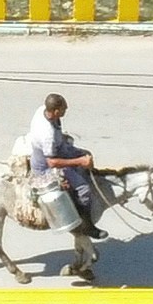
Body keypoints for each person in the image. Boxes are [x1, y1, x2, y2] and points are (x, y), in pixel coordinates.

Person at [20, 91, 99, 232]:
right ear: (56, 111)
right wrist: (80, 161)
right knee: (83, 189)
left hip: (59, 148)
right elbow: (52, 163)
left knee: (85, 154)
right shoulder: (47, 135)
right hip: (46, 167)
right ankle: (86, 225)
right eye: (64, 109)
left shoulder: (42, 110)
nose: (65, 111)